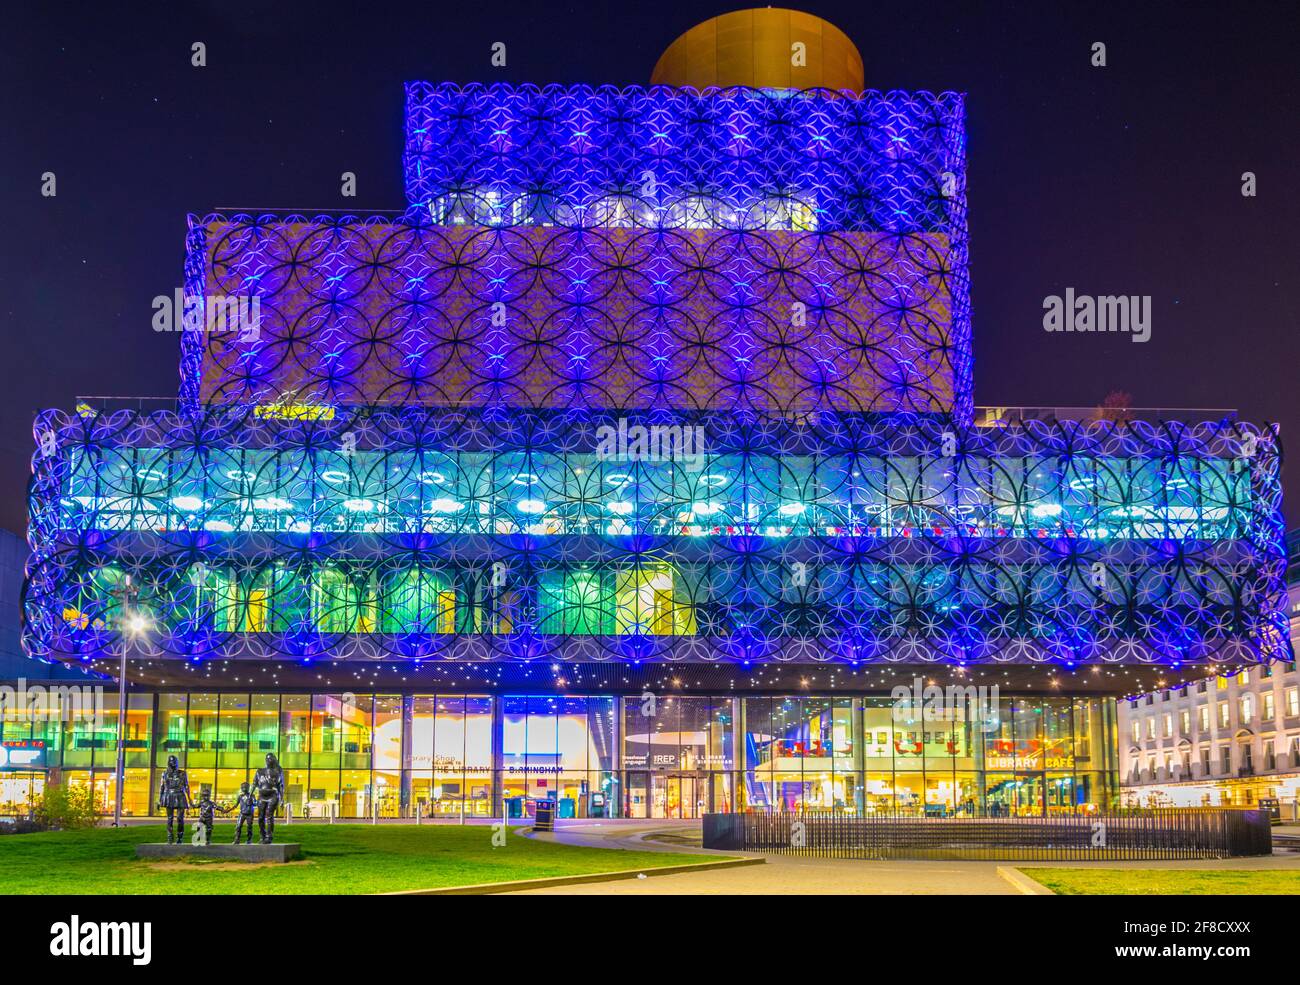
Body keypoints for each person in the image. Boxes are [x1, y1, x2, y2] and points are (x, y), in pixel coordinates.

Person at [251, 752, 285, 844]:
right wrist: (250, 794)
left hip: (272, 795)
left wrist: (282, 799)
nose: (268, 760)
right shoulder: (260, 771)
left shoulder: (278, 771)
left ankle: (269, 836)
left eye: (271, 758)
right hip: (262, 796)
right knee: (261, 817)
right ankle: (262, 835)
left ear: (274, 760)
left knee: (269, 816)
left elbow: (281, 786)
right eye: (267, 758)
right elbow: (254, 783)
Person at [157, 755, 191, 844]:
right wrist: (159, 799)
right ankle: (170, 837)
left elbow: (186, 786)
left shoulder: (182, 773)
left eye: (174, 761)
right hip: (169, 796)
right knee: (170, 818)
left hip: (180, 795)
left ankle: (180, 837)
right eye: (171, 761)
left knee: (180, 818)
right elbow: (162, 787)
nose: (173, 763)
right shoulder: (165, 773)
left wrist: (189, 799)